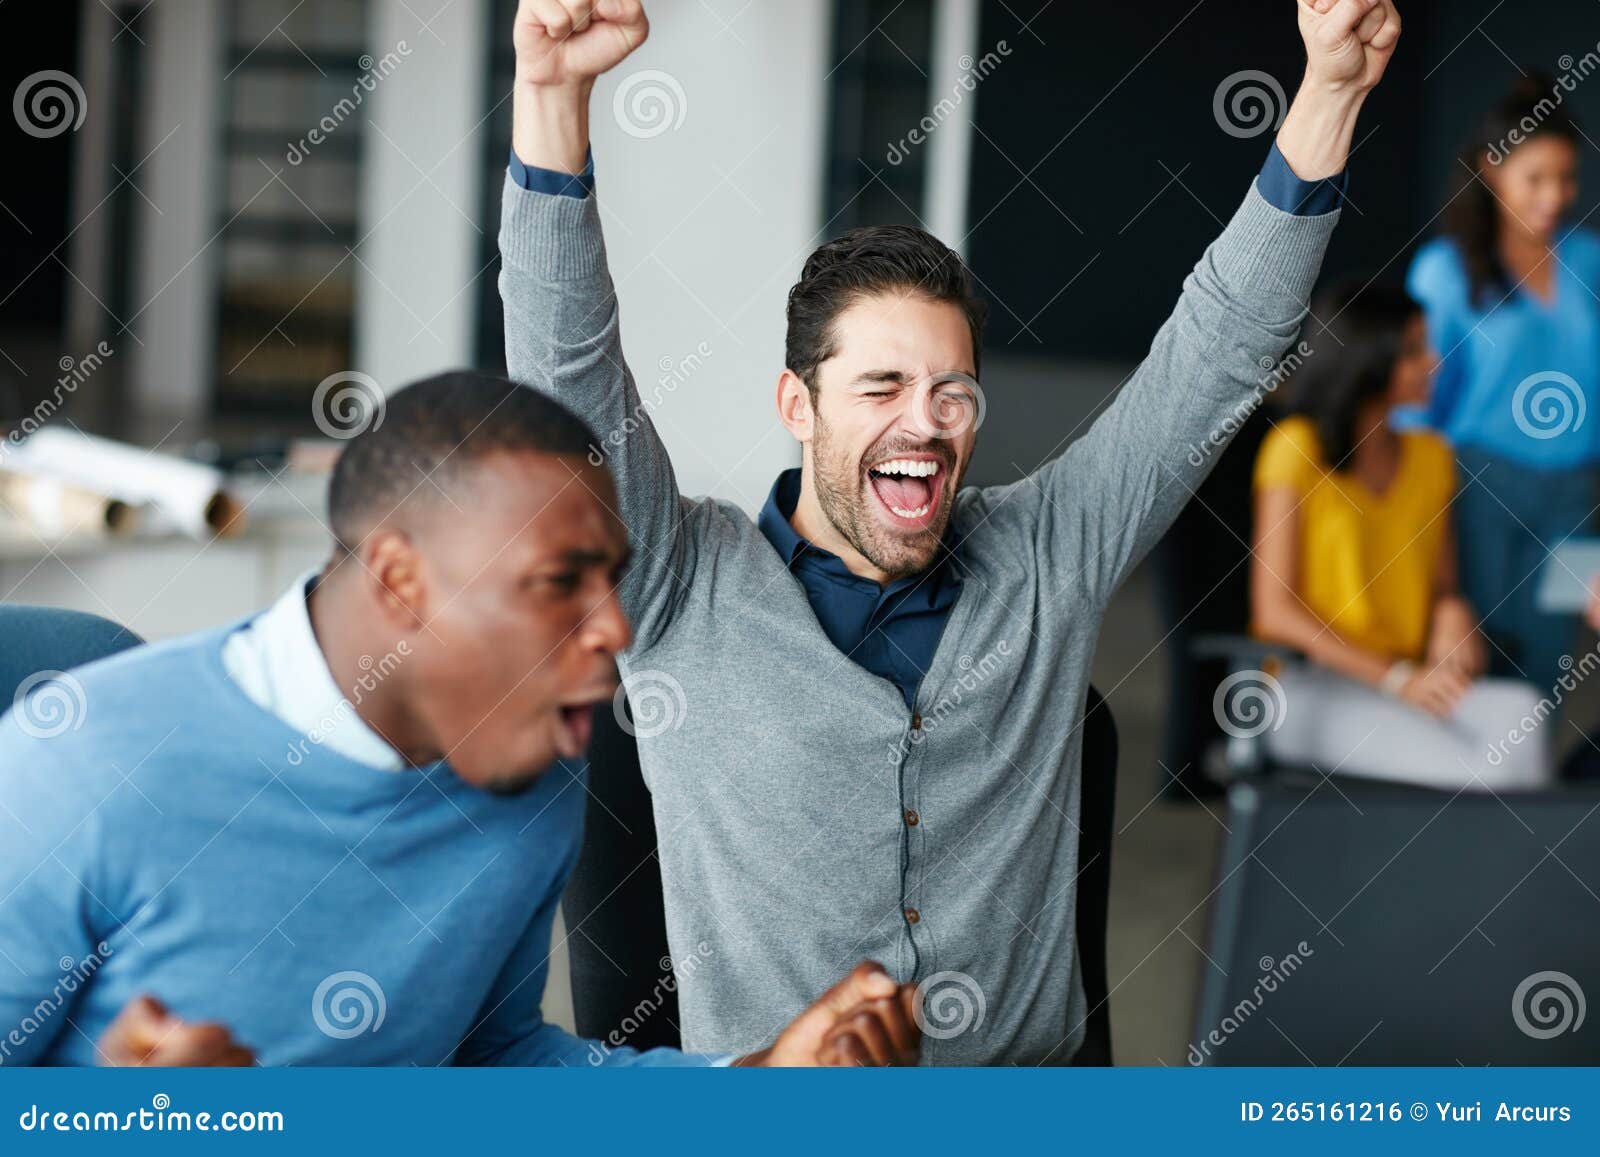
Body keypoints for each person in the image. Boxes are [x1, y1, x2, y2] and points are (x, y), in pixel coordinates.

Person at [498, 0, 1400, 1062]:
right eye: (881, 385)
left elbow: (1218, 351)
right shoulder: (679, 578)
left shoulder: (1047, 555)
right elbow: (568, 381)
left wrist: (1332, 89)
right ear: (798, 405)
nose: (923, 420)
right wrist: (553, 98)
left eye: (952, 391)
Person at [0, 373, 919, 1067]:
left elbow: (491, 1057)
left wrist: (750, 1081)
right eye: (560, 583)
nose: (615, 630)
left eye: (609, 579)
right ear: (401, 580)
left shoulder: (525, 762)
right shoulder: (76, 763)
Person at [1249, 282, 1551, 789]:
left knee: (1526, 715)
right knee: (1488, 768)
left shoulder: (1431, 457)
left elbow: (1441, 585)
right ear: (1369, 358)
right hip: (1310, 686)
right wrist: (1394, 678)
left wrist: (1452, 611)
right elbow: (1273, 611)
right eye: (1413, 350)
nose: (1433, 361)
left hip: (1406, 675)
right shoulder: (1295, 450)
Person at [1405, 75, 1600, 700]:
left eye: (1566, 178)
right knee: (1482, 656)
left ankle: (1532, 786)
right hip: (1482, 488)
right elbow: (1416, 400)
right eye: (1535, 178)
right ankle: (1474, 799)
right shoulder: (1445, 270)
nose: (1555, 196)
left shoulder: (1589, 259)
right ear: (1492, 170)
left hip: (1576, 494)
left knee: (1551, 663)